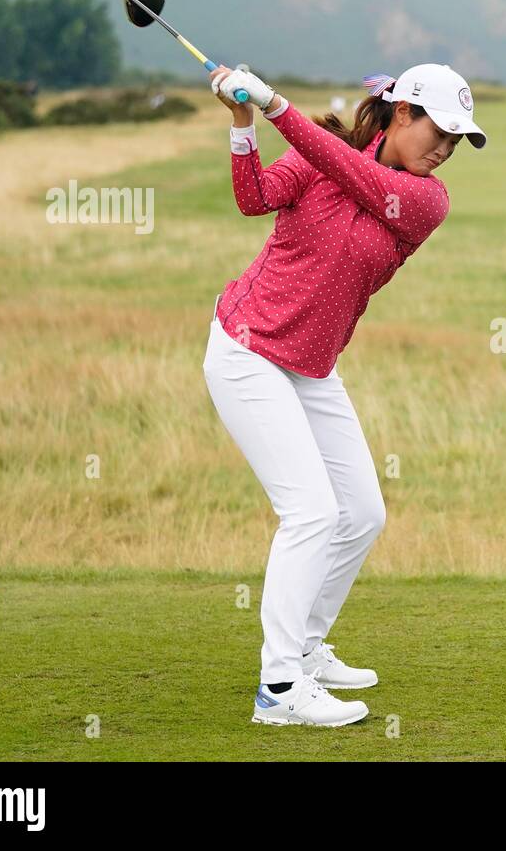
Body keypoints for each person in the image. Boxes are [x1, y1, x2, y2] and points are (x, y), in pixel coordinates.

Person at [203, 63, 487, 726]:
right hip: (247, 350)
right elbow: (255, 198)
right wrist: (244, 124)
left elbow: (351, 170)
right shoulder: (321, 159)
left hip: (310, 367)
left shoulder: (425, 201)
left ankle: (302, 648)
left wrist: (274, 103)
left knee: (362, 512)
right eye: (440, 129)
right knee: (311, 512)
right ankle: (278, 690)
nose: (446, 147)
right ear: (401, 114)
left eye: (458, 139)